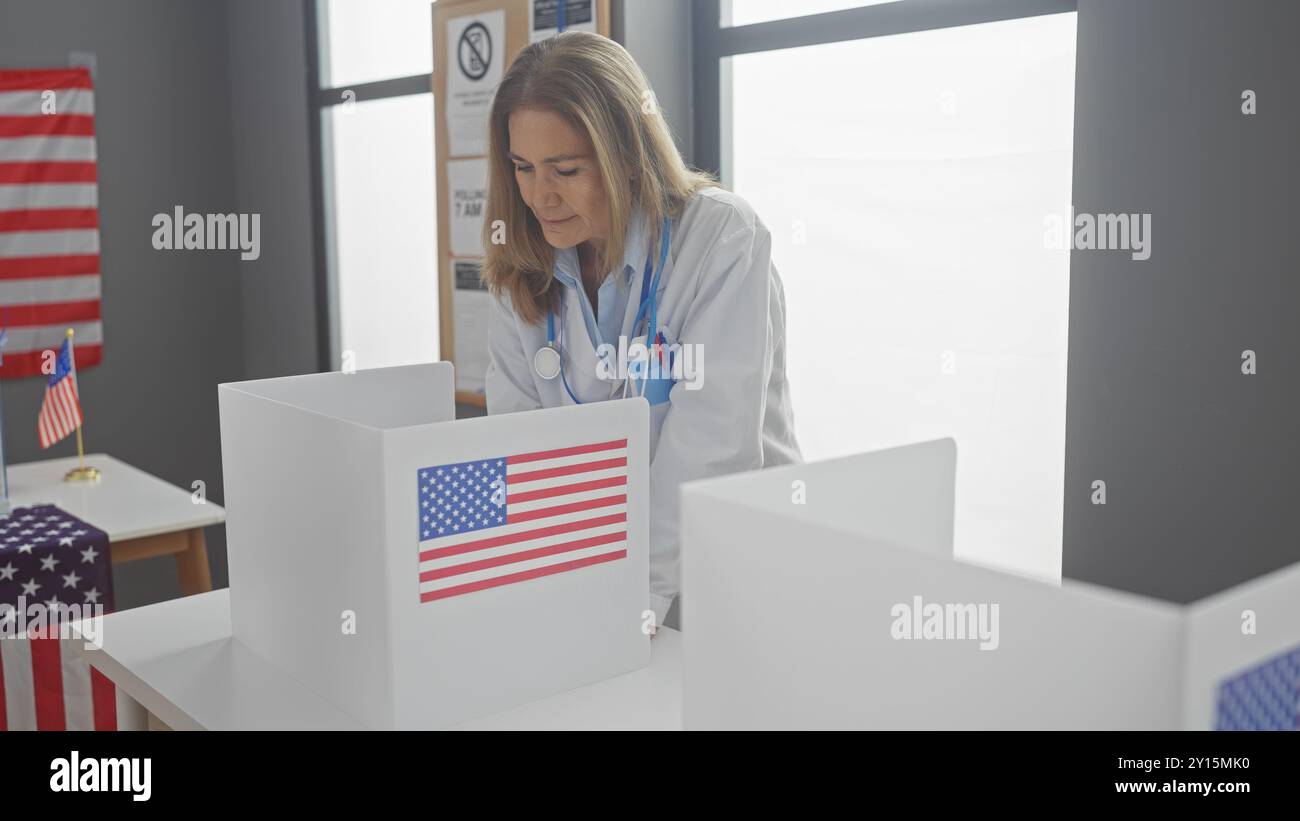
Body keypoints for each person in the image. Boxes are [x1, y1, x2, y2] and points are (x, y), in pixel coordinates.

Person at [482, 31, 800, 631]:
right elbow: (518, 446)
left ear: (626, 154)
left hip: (731, 573)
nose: (538, 196)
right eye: (522, 168)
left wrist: (633, 603)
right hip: (593, 576)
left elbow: (711, 450)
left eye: (565, 169)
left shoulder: (719, 239)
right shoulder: (518, 265)